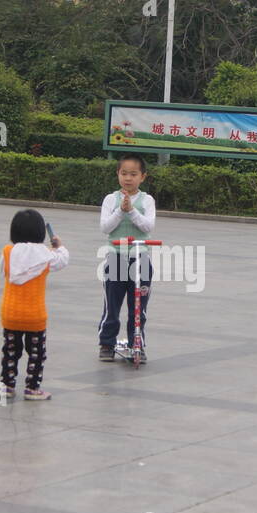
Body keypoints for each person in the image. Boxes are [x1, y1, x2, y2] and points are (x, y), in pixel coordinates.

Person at [0, 209, 69, 401]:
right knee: (36, 354)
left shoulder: (8, 252)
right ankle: (32, 387)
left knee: (10, 351)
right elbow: (63, 260)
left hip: (10, 313)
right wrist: (59, 247)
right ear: (40, 233)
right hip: (34, 316)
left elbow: (2, 268)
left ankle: (7, 385)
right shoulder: (45, 255)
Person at [98, 152, 156, 361]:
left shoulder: (147, 200)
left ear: (142, 177)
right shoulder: (110, 199)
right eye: (124, 173)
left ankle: (136, 344)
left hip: (140, 258)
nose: (128, 178)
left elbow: (148, 226)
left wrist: (131, 210)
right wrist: (120, 211)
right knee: (112, 304)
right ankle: (107, 343)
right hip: (115, 257)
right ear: (118, 174)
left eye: (133, 174)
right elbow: (105, 227)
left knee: (138, 306)